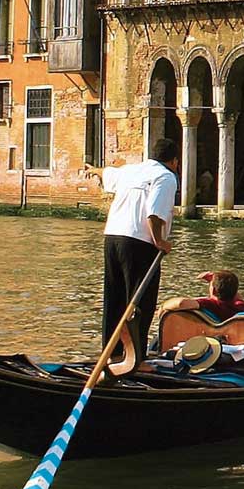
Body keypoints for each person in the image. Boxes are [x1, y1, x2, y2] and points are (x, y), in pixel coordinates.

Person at [102, 137, 180, 353]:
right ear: (174, 161)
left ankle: (111, 354)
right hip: (139, 243)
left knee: (115, 299)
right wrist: (160, 242)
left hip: (112, 238)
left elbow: (107, 173)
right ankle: (135, 358)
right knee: (140, 304)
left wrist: (94, 170)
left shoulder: (130, 170)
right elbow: (154, 214)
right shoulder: (166, 177)